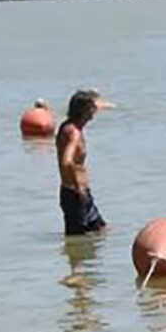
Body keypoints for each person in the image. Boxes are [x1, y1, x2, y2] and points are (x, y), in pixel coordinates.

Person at [55, 90, 105, 235]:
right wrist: (79, 187)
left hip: (78, 194)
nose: (94, 112)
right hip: (75, 194)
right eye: (92, 108)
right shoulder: (74, 133)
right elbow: (67, 161)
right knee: (79, 240)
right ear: (84, 110)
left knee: (101, 231)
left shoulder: (67, 126)